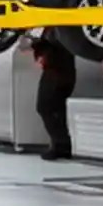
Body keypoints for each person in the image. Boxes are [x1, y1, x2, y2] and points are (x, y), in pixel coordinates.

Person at [30, 30, 77, 160]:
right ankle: (61, 144)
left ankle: (60, 144)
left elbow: (51, 48)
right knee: (57, 109)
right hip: (62, 72)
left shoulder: (55, 31)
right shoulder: (61, 31)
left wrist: (37, 44)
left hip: (56, 73)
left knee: (45, 107)